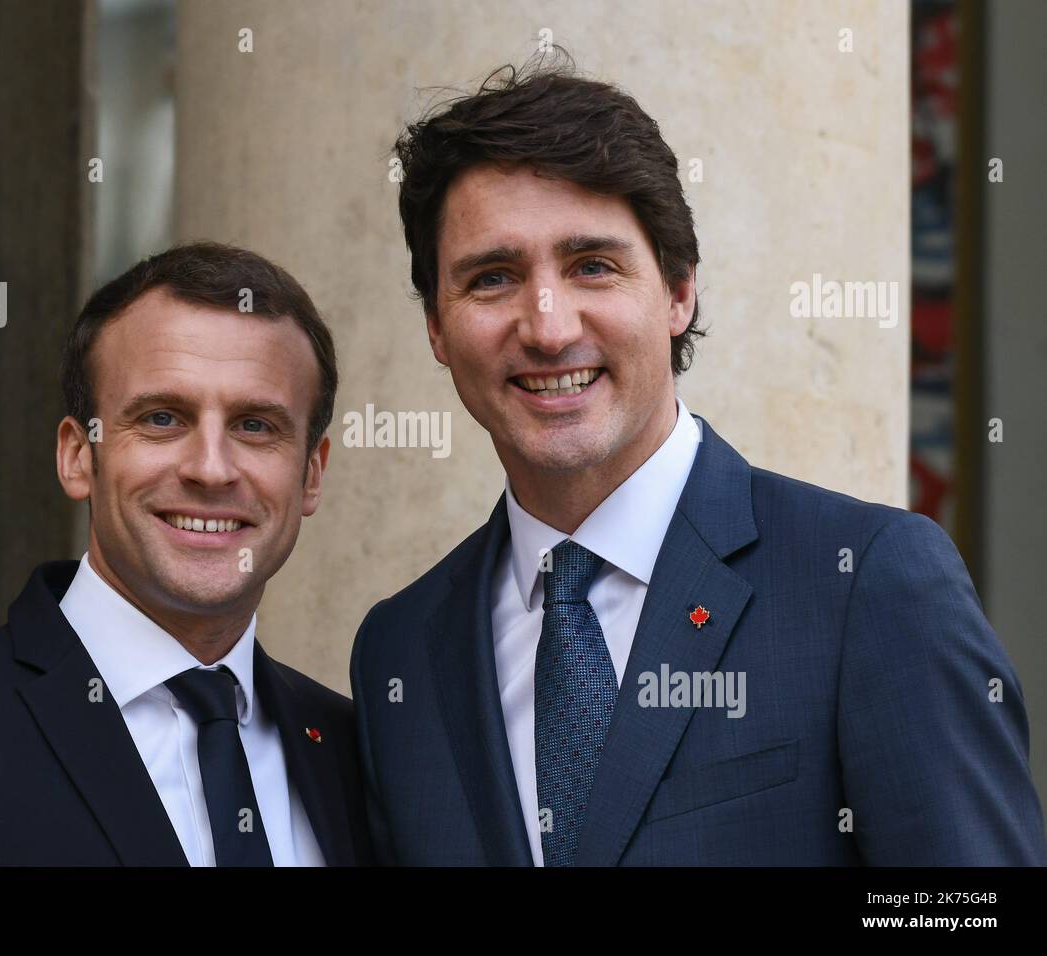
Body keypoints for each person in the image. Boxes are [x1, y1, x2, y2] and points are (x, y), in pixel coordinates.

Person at [350, 58, 1047, 865]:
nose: (546, 327)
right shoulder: (399, 652)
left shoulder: (868, 584)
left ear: (679, 292)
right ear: (437, 327)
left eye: (592, 266)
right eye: (493, 277)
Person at [0, 242, 370, 866]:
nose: (211, 469)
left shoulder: (360, 755)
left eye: (255, 426)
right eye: (162, 418)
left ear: (311, 476)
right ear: (78, 457)